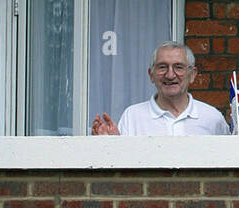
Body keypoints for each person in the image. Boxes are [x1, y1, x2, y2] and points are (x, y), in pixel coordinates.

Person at [91, 41, 231, 136]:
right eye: (162, 67)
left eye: (178, 67)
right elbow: (121, 169)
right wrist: (110, 146)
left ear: (192, 75)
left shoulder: (212, 118)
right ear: (151, 75)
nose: (170, 75)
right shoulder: (132, 117)